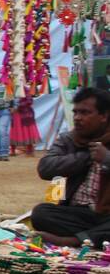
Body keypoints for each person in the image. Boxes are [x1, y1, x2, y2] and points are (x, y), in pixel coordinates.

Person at [31, 87, 110, 248]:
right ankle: (95, 237)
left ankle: (73, 240)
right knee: (41, 213)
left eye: (85, 113)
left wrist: (107, 158)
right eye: (76, 112)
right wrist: (86, 156)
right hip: (77, 213)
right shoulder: (70, 139)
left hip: (107, 215)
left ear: (103, 116)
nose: (77, 118)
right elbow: (45, 168)